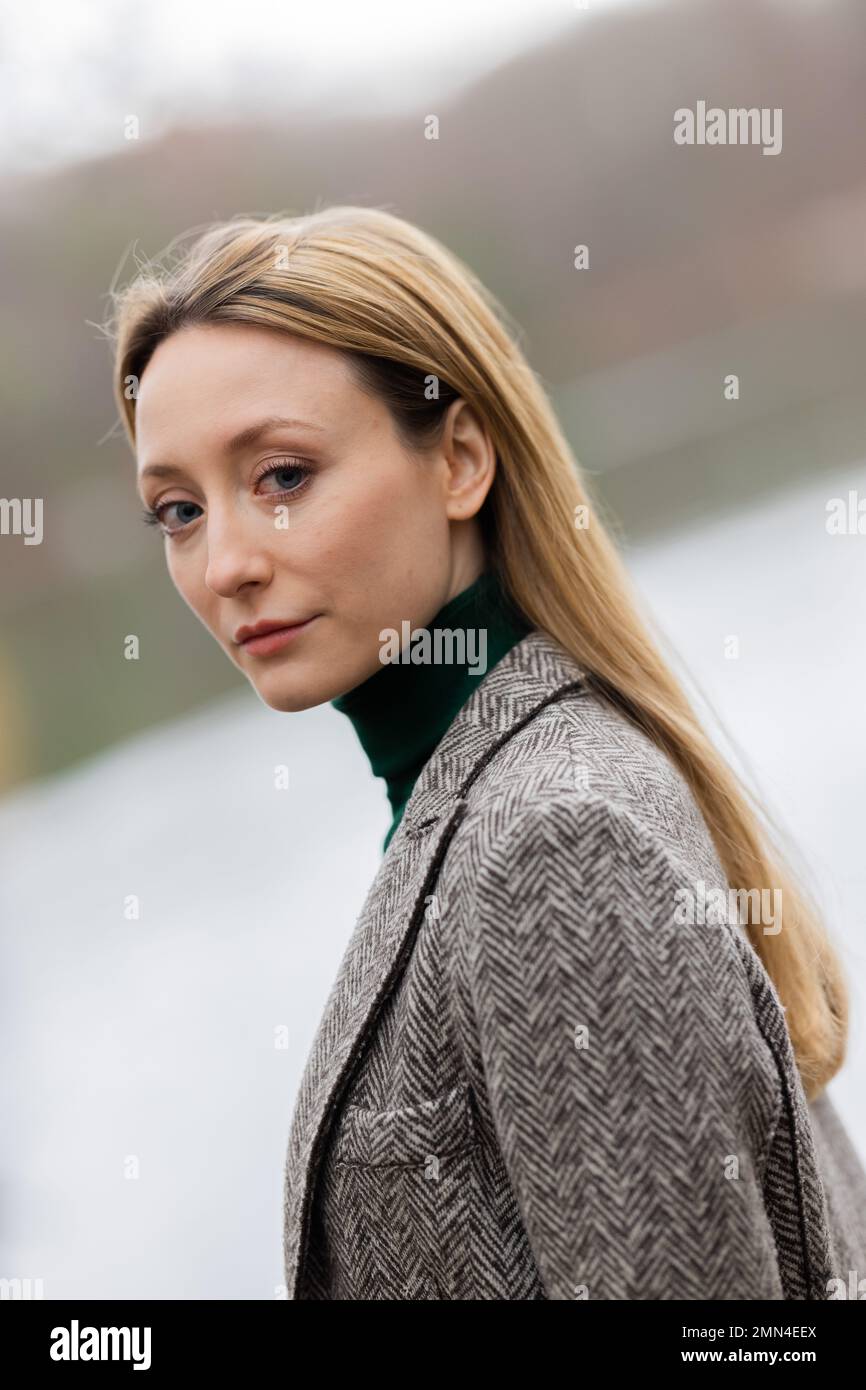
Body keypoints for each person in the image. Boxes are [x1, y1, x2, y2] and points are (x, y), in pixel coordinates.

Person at [109, 205, 866, 1299]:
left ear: (460, 457)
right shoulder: (483, 794)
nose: (225, 562)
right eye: (177, 510)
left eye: (281, 476)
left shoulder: (556, 838)